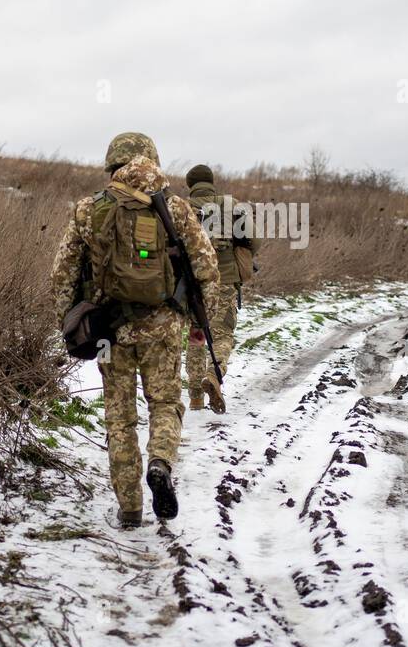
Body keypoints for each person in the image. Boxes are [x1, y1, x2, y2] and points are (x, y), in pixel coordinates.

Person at [50, 133, 220, 528]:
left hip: (110, 332)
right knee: (164, 403)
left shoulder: (87, 209)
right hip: (163, 328)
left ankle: (130, 507)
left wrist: (71, 326)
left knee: (119, 417)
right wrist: (199, 323)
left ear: (112, 164)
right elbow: (207, 269)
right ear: (153, 161)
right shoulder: (176, 209)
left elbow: (60, 276)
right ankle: (160, 462)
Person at [182, 164, 261, 412]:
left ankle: (195, 396)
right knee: (223, 334)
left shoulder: (179, 207)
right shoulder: (232, 205)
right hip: (224, 280)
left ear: (190, 185)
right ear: (212, 182)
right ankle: (213, 375)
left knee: (196, 335)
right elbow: (254, 241)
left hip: (191, 282)